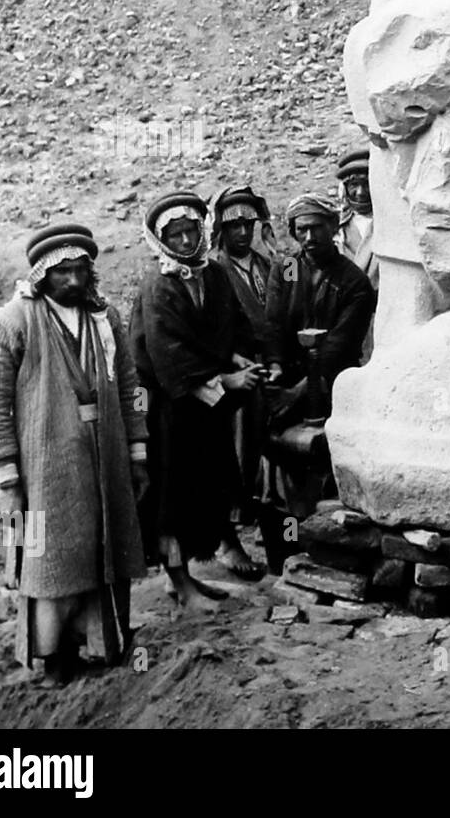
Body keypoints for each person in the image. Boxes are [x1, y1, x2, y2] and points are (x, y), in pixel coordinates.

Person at [0, 223, 147, 686]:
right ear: (40, 275)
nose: (72, 281)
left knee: (105, 541)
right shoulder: (10, 323)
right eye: (62, 273)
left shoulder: (105, 317)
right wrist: (8, 479)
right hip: (45, 459)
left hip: (105, 450)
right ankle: (52, 655)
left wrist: (136, 450)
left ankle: (103, 642)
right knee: (51, 554)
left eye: (80, 271)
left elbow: (131, 387)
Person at [130, 192, 263, 610]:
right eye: (177, 234)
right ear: (161, 238)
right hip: (171, 408)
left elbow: (231, 324)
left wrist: (239, 355)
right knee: (172, 495)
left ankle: (189, 573)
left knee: (207, 485)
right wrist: (226, 378)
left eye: (192, 231)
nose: (187, 241)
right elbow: (169, 354)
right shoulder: (160, 286)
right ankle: (179, 580)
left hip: (206, 408)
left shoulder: (214, 275)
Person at [263, 193, 377, 523]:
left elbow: (338, 347)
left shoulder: (353, 283)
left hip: (333, 385)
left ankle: (329, 533)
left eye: (316, 228)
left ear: (332, 227)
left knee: (325, 463)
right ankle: (290, 540)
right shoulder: (287, 269)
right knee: (282, 467)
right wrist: (274, 367)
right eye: (301, 230)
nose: (309, 238)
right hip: (288, 380)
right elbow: (274, 324)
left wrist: (298, 392)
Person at [206, 185, 277, 580]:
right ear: (220, 229)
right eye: (233, 225)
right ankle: (234, 523)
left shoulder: (267, 264)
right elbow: (217, 328)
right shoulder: (217, 269)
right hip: (236, 370)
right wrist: (236, 359)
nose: (242, 232)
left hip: (272, 364)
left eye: (247, 223)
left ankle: (274, 523)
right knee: (240, 444)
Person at [335, 147, 379, 360]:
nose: (360, 192)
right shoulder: (334, 229)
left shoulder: (394, 225)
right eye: (354, 185)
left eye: (366, 184)